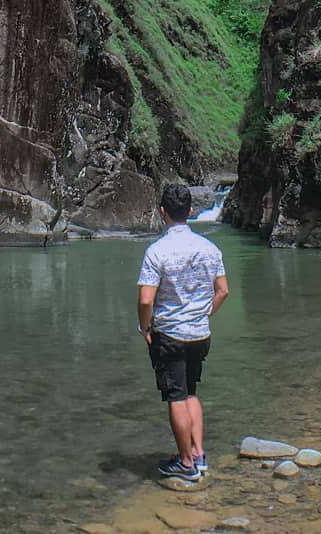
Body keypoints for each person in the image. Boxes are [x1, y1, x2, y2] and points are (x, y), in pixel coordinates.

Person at [137, 183, 229, 482]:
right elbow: (223, 291)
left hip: (170, 334)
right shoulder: (210, 248)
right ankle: (199, 454)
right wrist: (204, 315)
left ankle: (186, 465)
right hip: (200, 334)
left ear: (162, 211)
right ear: (190, 210)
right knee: (190, 392)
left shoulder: (157, 251)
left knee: (176, 397)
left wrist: (145, 326)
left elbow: (146, 300)